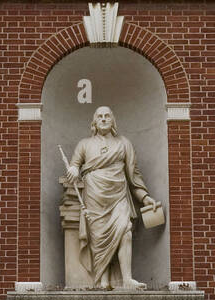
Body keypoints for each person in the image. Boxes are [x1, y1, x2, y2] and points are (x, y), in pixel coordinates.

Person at [65, 106, 159, 290]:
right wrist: (73, 169)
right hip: (94, 195)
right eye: (99, 116)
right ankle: (102, 280)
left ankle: (127, 279)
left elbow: (134, 175)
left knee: (125, 231)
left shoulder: (124, 143)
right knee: (98, 238)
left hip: (118, 194)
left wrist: (145, 197)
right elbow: (74, 165)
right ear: (94, 121)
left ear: (113, 120)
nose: (103, 119)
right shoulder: (84, 144)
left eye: (107, 116)